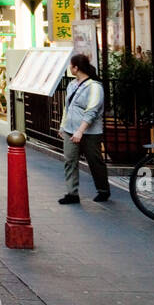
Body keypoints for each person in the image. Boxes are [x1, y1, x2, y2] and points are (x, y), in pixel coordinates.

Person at [58, 53, 109, 205]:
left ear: (76, 68)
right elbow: (67, 107)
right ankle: (72, 193)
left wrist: (80, 131)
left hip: (90, 133)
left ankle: (103, 190)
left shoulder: (94, 87)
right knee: (70, 160)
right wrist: (63, 126)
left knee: (95, 161)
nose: (69, 68)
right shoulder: (72, 84)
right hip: (70, 130)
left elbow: (92, 111)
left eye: (71, 65)